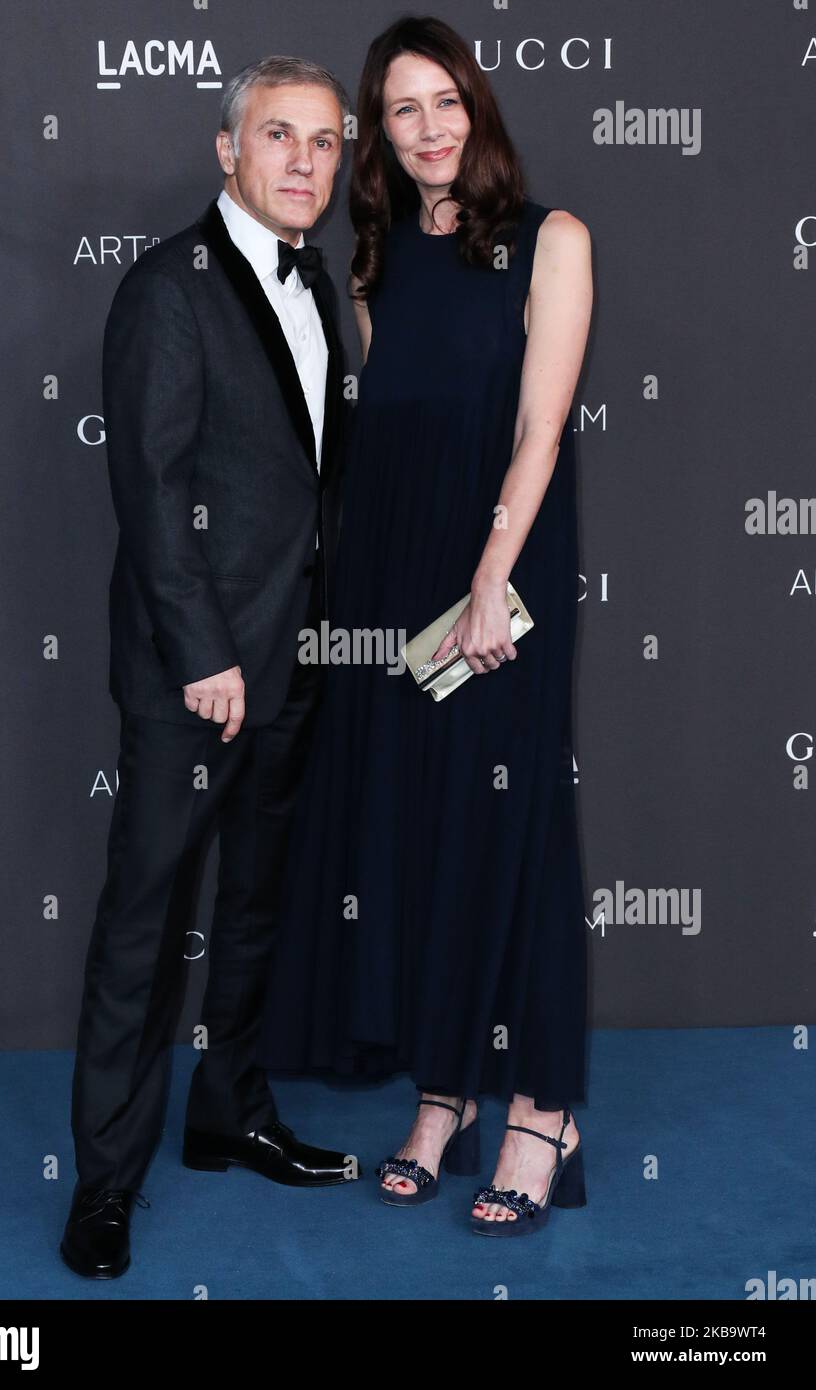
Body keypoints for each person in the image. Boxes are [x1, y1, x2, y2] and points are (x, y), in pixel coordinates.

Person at [258, 16, 594, 1235]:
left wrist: (493, 584)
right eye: (402, 110)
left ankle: (543, 1109)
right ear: (378, 135)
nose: (430, 127)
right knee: (424, 830)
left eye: (445, 100)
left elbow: (539, 429)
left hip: (496, 572)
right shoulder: (373, 256)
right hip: (392, 585)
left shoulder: (552, 238)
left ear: (479, 106)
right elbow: (380, 440)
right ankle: (442, 1093)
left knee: (514, 833)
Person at [61, 56, 354, 1279]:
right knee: (146, 919)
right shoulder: (165, 290)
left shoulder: (318, 279)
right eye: (277, 136)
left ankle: (229, 1113)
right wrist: (203, 658)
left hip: (293, 657)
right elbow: (151, 486)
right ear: (225, 150)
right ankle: (103, 1184)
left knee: (252, 906)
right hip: (199, 672)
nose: (302, 160)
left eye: (325, 142)